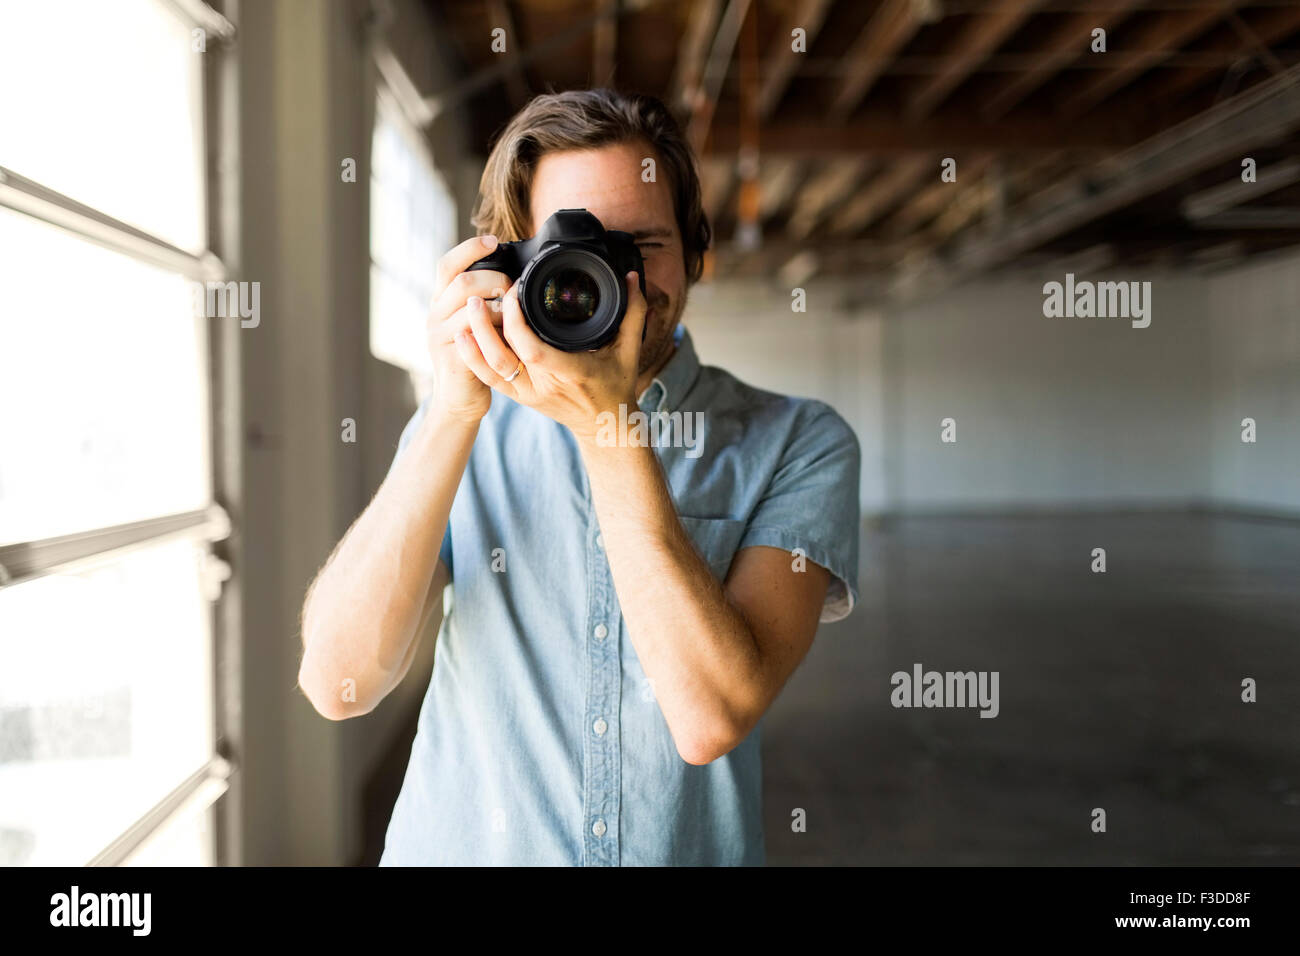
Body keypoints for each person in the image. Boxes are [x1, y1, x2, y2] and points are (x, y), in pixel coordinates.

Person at [298, 88, 860, 865]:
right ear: (512, 266)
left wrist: (607, 425)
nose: (614, 278)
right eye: (578, 248)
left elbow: (709, 718)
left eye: (644, 245)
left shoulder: (799, 440)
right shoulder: (466, 429)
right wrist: (452, 412)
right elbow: (339, 683)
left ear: (696, 251)